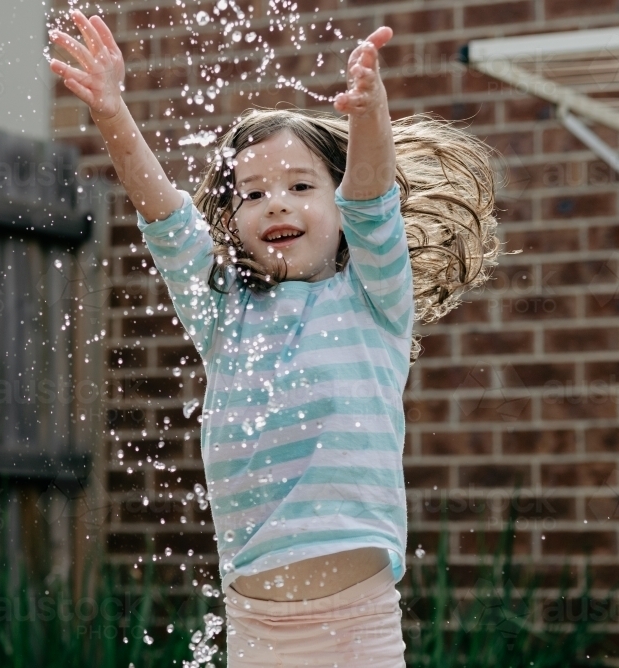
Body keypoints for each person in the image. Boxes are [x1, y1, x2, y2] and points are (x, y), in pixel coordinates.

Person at [49, 8, 499, 666]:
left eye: (299, 186)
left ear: (338, 210)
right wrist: (114, 112)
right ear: (231, 220)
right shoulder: (223, 312)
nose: (276, 203)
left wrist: (369, 112)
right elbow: (162, 213)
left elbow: (371, 197)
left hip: (357, 629)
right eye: (252, 193)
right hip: (257, 629)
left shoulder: (372, 299)